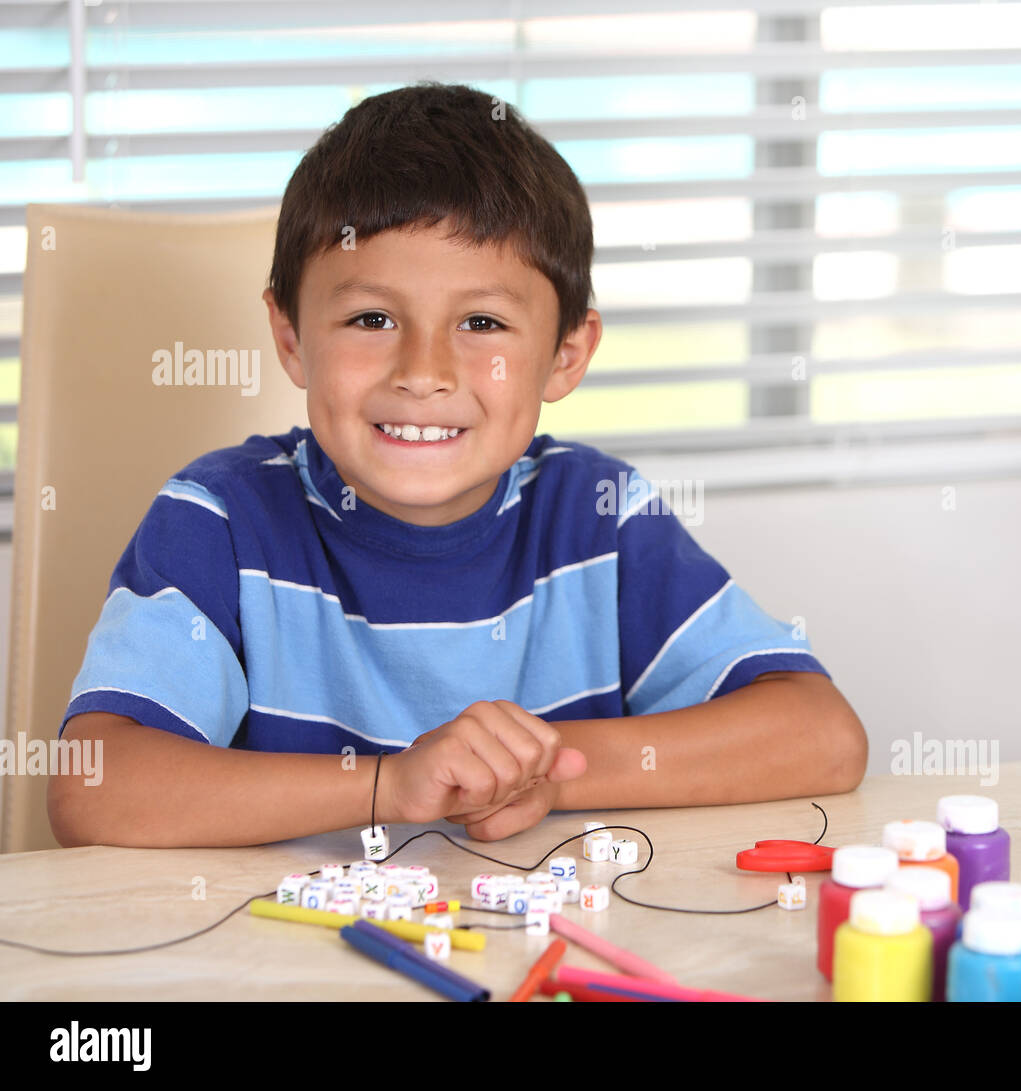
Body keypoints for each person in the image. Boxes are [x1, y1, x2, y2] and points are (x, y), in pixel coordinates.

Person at [49, 82, 867, 849]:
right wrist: (389, 784)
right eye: (372, 317)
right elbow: (91, 789)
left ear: (566, 355)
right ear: (292, 336)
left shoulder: (599, 517)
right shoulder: (221, 520)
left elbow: (823, 736)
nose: (424, 370)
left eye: (481, 322)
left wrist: (538, 768)